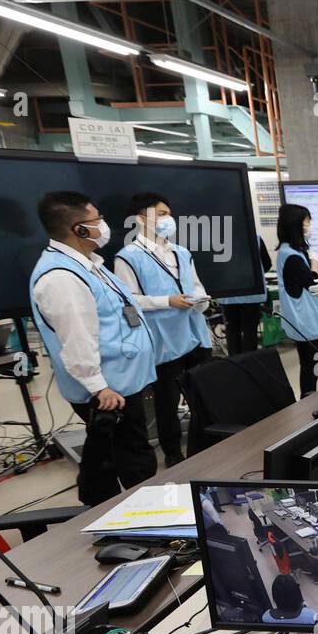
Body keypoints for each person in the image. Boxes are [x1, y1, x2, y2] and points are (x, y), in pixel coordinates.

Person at [29, 191, 158, 507]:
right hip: (108, 391)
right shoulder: (62, 278)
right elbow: (76, 340)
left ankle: (141, 513)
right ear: (79, 230)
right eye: (96, 219)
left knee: (129, 455)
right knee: (131, 460)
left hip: (122, 382)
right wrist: (99, 388)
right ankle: (147, 521)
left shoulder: (89, 264)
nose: (104, 225)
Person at [113, 193, 213, 467]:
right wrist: (166, 301)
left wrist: (200, 300)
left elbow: (196, 285)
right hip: (163, 341)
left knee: (202, 395)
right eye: (160, 213)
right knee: (167, 402)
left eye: (168, 213)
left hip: (194, 334)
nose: (167, 219)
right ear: (140, 219)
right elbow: (129, 302)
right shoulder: (128, 257)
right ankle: (173, 453)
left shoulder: (181, 252)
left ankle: (206, 442)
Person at [274, 203, 318, 396]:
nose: (309, 226)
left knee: (316, 360)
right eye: (307, 222)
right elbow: (311, 283)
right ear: (295, 225)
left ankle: (312, 394)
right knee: (311, 363)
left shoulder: (295, 251)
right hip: (304, 321)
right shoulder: (290, 255)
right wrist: (316, 266)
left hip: (310, 319)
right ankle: (309, 399)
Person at [219, 236, 271, 356]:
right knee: (250, 333)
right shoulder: (254, 238)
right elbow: (267, 264)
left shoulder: (220, 238)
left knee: (232, 333)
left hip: (229, 294)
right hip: (251, 294)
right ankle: (250, 364)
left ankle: (235, 366)